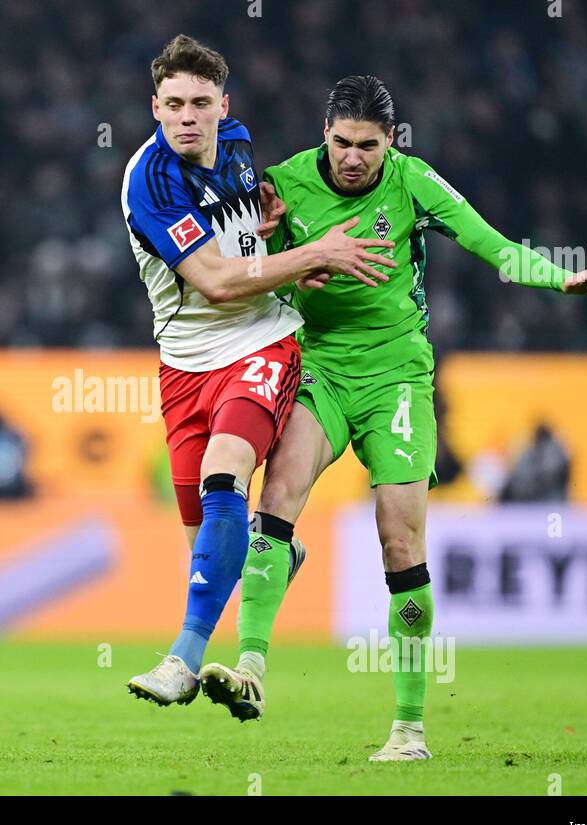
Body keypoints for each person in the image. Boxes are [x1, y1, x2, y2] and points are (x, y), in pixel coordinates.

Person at [199, 76, 587, 761]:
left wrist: (560, 278)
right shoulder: (283, 183)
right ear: (323, 132)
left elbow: (494, 246)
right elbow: (233, 270)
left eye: (368, 145)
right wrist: (276, 261)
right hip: (320, 366)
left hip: (396, 375)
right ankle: (251, 670)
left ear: (390, 142)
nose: (353, 158)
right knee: (274, 500)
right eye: (341, 143)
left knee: (399, 540)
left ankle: (410, 727)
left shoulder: (415, 182)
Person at [120, 36, 397, 706]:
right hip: (185, 367)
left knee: (224, 476)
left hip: (263, 344)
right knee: (207, 544)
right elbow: (214, 280)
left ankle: (180, 662)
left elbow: (244, 249)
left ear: (224, 105)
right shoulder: (150, 180)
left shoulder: (239, 146)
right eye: (175, 104)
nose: (188, 117)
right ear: (155, 107)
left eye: (202, 103)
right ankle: (275, 550)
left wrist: (272, 235)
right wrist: (309, 255)